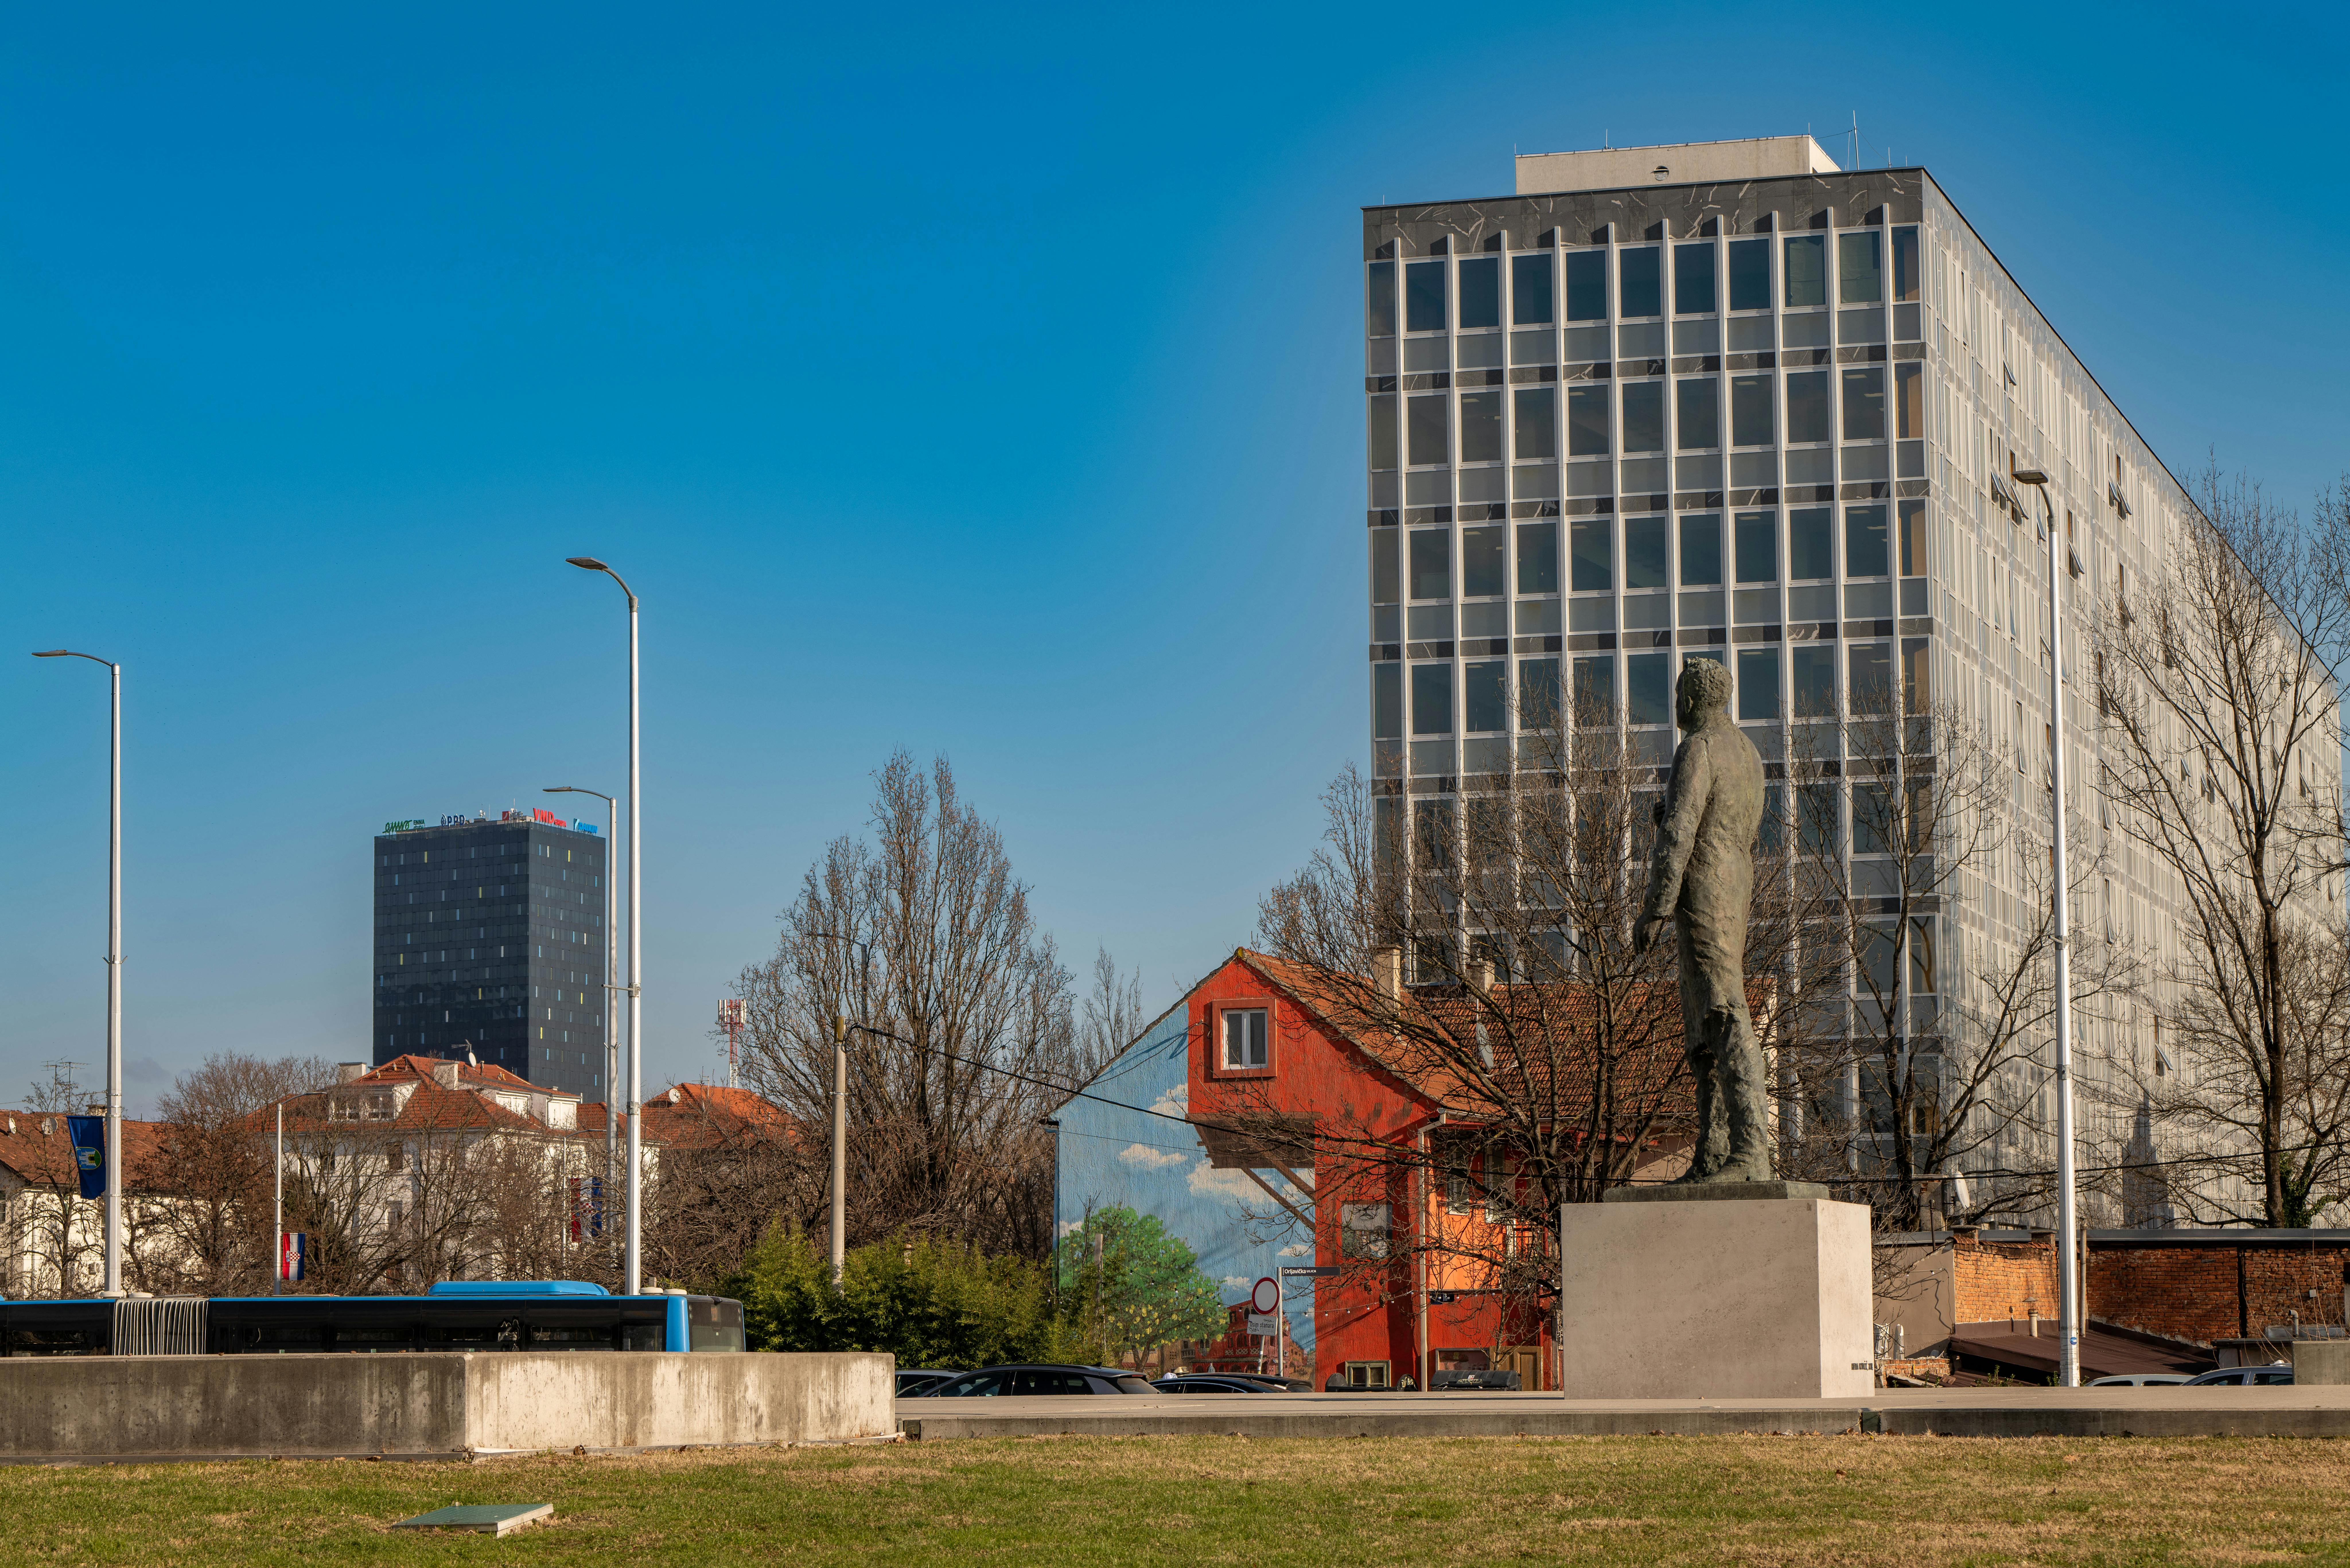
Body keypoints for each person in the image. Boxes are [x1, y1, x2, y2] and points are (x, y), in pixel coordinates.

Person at [1633, 659, 1769, 1183]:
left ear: (1691, 697)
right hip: (1735, 880)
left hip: (1704, 885)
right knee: (1706, 1021)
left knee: (1725, 1011)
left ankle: (1751, 1151)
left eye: (1677, 694)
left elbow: (1681, 835)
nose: (1674, 705)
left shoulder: (1699, 749)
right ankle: (1713, 1151)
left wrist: (1655, 908)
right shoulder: (1749, 753)